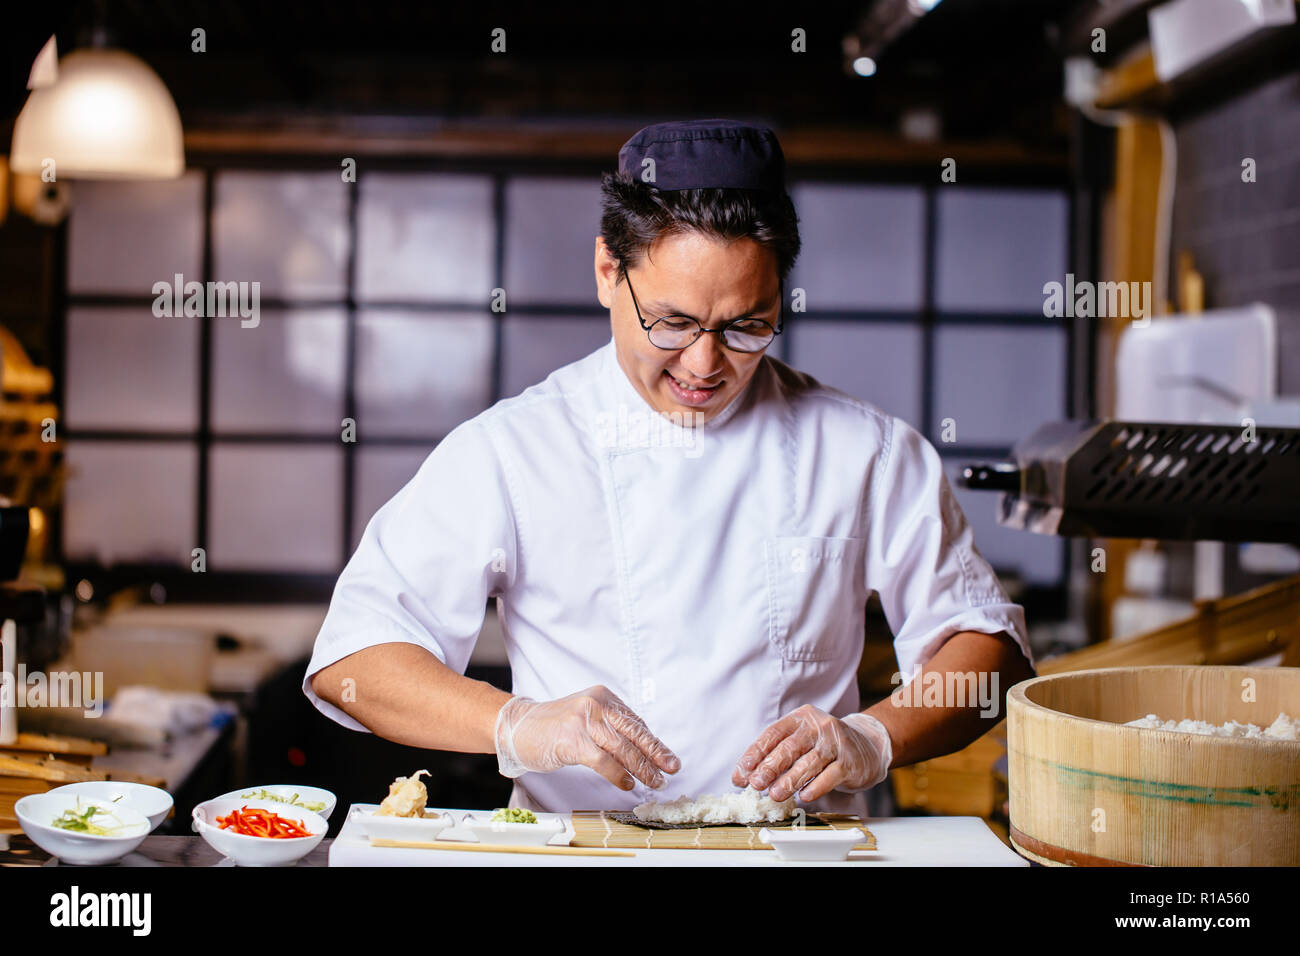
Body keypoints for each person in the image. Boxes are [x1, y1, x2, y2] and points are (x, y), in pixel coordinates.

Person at [305, 119, 1036, 817]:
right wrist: (518, 725)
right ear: (605, 271)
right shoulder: (512, 451)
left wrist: (873, 737)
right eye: (672, 322)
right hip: (585, 852)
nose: (705, 363)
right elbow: (353, 664)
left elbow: (989, 654)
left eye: (748, 326)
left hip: (797, 851)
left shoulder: (867, 452)